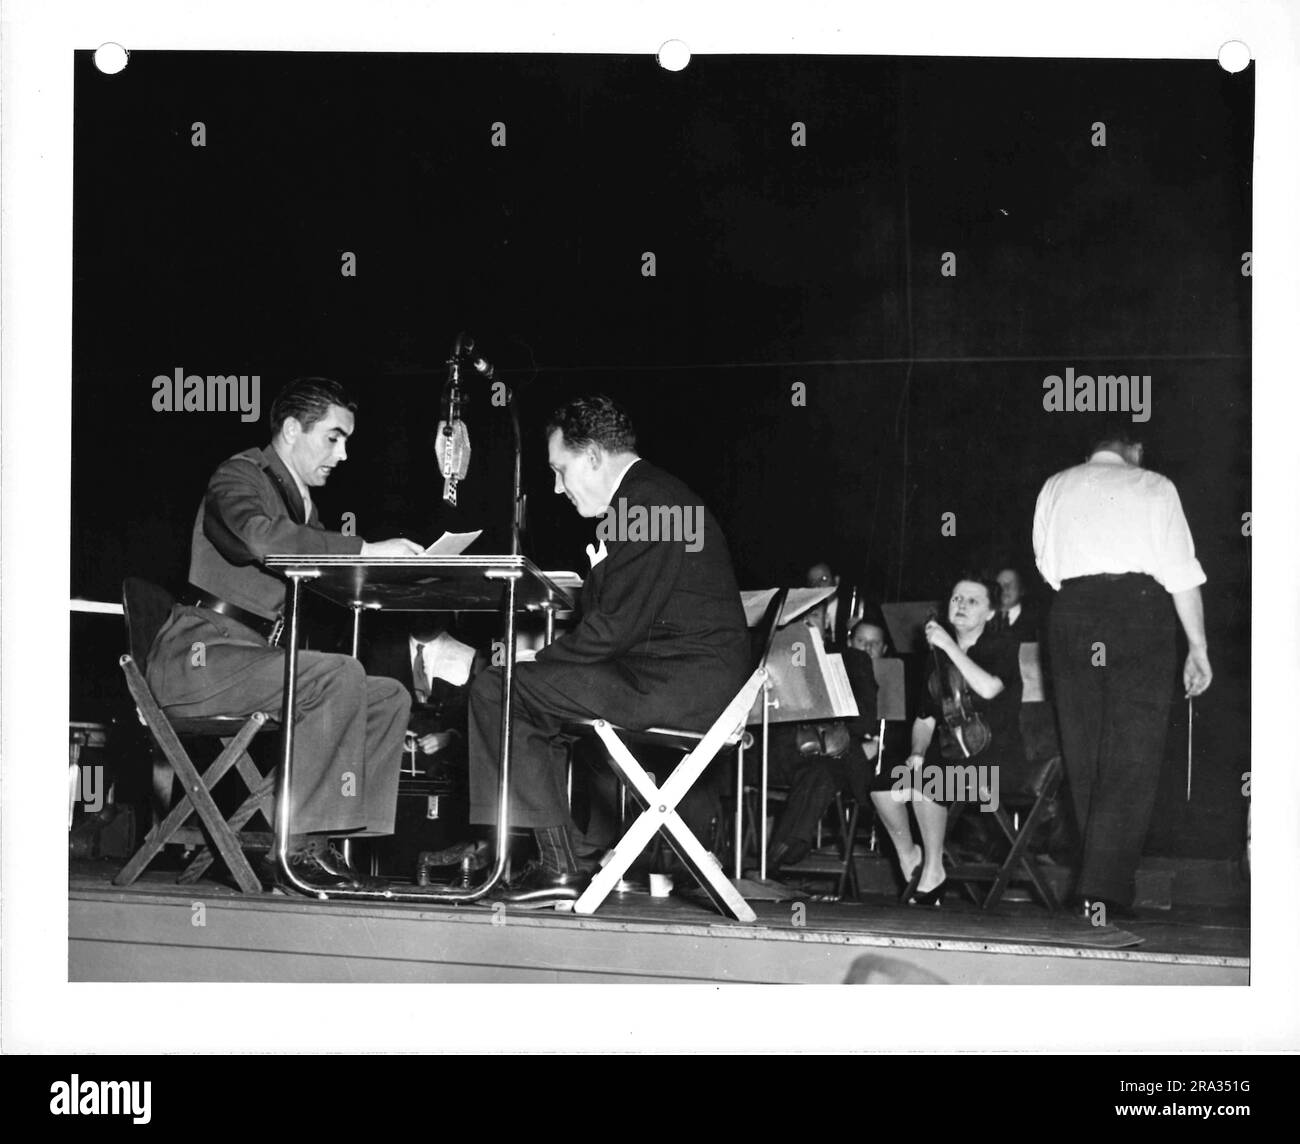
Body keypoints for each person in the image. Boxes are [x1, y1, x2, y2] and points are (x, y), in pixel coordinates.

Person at [466, 395, 751, 899]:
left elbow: (614, 627)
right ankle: (561, 854)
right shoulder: (642, 501)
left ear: (594, 456)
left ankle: (557, 862)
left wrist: (539, 659)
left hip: (681, 684)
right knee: (524, 696)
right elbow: (615, 621)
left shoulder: (651, 505)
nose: (556, 487)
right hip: (666, 674)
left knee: (499, 687)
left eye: (561, 469)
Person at [145, 377, 421, 892]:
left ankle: (331, 838)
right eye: (334, 438)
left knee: (385, 695)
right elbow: (256, 536)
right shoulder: (239, 475)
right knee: (339, 674)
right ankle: (298, 847)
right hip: (198, 657)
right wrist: (363, 550)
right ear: (292, 430)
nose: (342, 455)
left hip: (246, 660)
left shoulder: (302, 507)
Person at [1034, 429, 1212, 918]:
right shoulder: (1155, 486)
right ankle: (1103, 888)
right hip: (1138, 614)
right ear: (1134, 450)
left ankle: (1097, 882)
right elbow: (1180, 574)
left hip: (1072, 614)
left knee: (1084, 747)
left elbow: (1047, 566)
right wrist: (1197, 648)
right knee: (1131, 752)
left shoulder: (1055, 485)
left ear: (1088, 450)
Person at [869, 575, 1022, 906]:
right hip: (952, 760)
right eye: (956, 599)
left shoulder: (1001, 646)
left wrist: (949, 646)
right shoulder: (936, 659)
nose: (961, 605)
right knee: (884, 786)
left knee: (928, 782)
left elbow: (989, 688)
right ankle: (911, 857)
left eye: (972, 600)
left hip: (997, 765)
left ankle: (934, 868)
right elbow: (925, 719)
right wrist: (917, 751)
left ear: (991, 613)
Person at [767, 619, 887, 873]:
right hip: (791, 752)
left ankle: (783, 849)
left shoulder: (856, 663)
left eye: (874, 643)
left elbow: (865, 720)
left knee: (825, 769)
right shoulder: (785, 655)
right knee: (833, 764)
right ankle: (784, 848)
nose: (866, 647)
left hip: (826, 756)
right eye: (860, 641)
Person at [994, 567, 1038, 643]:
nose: (1004, 589)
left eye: (1010, 584)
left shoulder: (1035, 623)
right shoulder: (982, 618)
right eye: (999, 585)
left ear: (1022, 590)